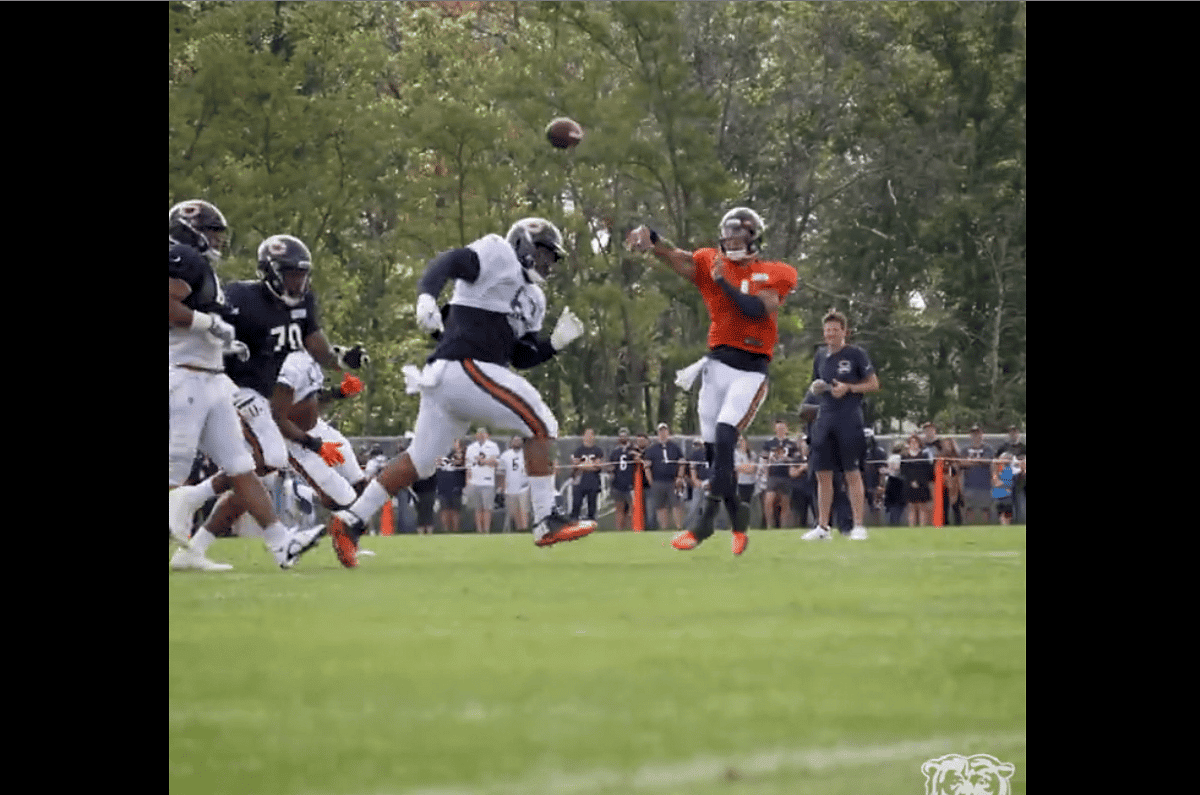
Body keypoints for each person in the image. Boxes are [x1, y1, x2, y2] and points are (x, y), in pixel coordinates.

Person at [325, 217, 594, 566]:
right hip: (462, 366)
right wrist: (426, 298)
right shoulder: (498, 253)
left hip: (458, 378)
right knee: (542, 422)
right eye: (544, 254)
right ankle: (546, 519)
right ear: (523, 246)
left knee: (419, 462)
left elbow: (520, 355)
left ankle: (350, 521)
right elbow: (448, 262)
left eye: (553, 258)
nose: (548, 264)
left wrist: (554, 344)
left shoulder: (534, 298)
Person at [627, 208, 797, 556]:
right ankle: (739, 523)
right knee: (714, 453)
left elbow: (756, 309)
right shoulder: (709, 260)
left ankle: (702, 522)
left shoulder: (774, 272)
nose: (733, 241)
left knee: (725, 435)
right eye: (729, 235)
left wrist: (722, 282)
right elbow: (680, 257)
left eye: (740, 235)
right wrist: (653, 239)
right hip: (716, 365)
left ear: (754, 238)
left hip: (751, 369)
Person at [187, 233, 370, 551]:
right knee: (278, 464)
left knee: (256, 480)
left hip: (285, 408)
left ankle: (195, 547)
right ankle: (199, 501)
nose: (298, 282)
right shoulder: (240, 297)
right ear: (270, 273)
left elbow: (320, 351)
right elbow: (209, 335)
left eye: (302, 274)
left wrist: (343, 360)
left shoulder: (303, 305)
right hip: (244, 392)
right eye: (291, 274)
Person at [168, 199, 324, 571]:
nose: (218, 241)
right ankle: (186, 528)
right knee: (173, 471)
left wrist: (222, 336)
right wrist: (210, 326)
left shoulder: (200, 265)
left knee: (241, 466)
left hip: (209, 377)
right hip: (183, 374)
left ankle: (281, 545)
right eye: (212, 233)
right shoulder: (183, 258)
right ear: (190, 231)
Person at [801, 310, 880, 541]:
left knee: (851, 471)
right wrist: (818, 388)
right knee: (822, 473)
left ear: (844, 331)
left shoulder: (856, 354)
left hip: (849, 418)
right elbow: (818, 383)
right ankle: (823, 526)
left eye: (835, 330)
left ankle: (858, 525)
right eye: (827, 330)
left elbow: (873, 384)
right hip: (824, 418)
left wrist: (849, 388)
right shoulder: (820, 356)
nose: (830, 334)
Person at [644, 422, 687, 533]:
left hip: (673, 481)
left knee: (676, 505)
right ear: (658, 433)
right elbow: (647, 467)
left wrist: (680, 477)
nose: (663, 433)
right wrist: (651, 482)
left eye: (665, 431)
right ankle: (664, 529)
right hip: (658, 482)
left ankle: (679, 527)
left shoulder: (675, 447)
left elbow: (682, 463)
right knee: (660, 507)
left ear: (668, 432)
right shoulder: (651, 449)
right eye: (660, 431)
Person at [761, 418, 798, 529]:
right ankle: (769, 526)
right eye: (778, 428)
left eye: (782, 428)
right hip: (773, 475)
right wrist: (765, 473)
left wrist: (787, 459)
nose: (780, 430)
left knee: (785, 503)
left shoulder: (791, 444)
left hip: (785, 476)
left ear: (786, 429)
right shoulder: (769, 443)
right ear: (775, 429)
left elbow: (797, 459)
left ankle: (783, 527)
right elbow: (764, 459)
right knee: (768, 501)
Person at [464, 427, 501, 534]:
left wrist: (484, 461)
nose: (480, 436)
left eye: (483, 434)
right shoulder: (471, 448)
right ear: (476, 435)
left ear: (487, 435)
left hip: (487, 481)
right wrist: (468, 481)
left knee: (487, 508)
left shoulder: (493, 446)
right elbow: (468, 466)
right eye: (479, 434)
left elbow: (496, 462)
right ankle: (479, 530)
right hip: (474, 481)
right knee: (477, 508)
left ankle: (487, 530)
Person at [961, 425, 996, 524]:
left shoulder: (988, 449)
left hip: (985, 485)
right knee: (969, 509)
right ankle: (970, 529)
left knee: (985, 509)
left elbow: (987, 461)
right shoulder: (965, 450)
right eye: (973, 434)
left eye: (978, 434)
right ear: (970, 436)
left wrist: (971, 461)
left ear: (982, 435)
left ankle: (985, 530)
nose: (976, 436)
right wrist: (978, 461)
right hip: (969, 485)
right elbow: (962, 463)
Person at [570, 428, 605, 522]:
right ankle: (574, 523)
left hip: (593, 481)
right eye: (587, 434)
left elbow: (597, 466)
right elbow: (575, 465)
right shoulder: (579, 450)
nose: (589, 437)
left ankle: (591, 524)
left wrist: (582, 465)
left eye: (591, 434)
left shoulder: (598, 450)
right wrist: (589, 466)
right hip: (580, 480)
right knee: (576, 504)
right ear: (583, 437)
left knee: (592, 505)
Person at [606, 428, 637, 532]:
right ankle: (620, 531)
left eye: (625, 435)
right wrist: (610, 471)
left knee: (633, 509)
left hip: (630, 483)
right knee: (619, 509)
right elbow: (611, 466)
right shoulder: (615, 451)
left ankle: (632, 529)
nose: (623, 437)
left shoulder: (633, 449)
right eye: (621, 436)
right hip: (618, 483)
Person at [900, 434, 935, 526]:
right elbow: (903, 471)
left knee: (922, 507)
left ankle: (922, 527)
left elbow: (928, 470)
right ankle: (912, 527)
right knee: (911, 507)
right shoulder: (904, 456)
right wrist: (912, 481)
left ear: (919, 443)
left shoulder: (924, 455)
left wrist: (921, 482)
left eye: (916, 442)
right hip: (909, 485)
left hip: (922, 484)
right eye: (911, 442)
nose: (914, 444)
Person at [498, 435, 531, 532]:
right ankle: (519, 529)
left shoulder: (527, 454)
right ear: (511, 442)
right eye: (515, 441)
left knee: (524, 509)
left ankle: (525, 528)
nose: (516, 442)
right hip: (510, 487)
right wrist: (502, 487)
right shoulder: (505, 455)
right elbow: (501, 473)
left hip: (524, 486)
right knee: (515, 511)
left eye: (518, 441)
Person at [436, 440, 467, 534]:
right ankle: (445, 530)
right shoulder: (440, 454)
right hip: (443, 485)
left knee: (455, 510)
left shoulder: (462, 455)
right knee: (444, 509)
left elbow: (462, 465)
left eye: (455, 443)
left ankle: (455, 530)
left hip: (456, 485)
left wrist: (458, 452)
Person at [997, 425, 1027, 523]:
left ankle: (1020, 523)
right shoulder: (1003, 448)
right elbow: (995, 462)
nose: (1013, 434)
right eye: (1011, 432)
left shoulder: (1024, 447)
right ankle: (1006, 524)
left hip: (1021, 480)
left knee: (1020, 504)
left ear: (1018, 433)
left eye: (1015, 431)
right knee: (1006, 504)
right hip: (1006, 480)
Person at [788, 436, 814, 530]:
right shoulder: (796, 458)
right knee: (800, 514)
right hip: (799, 489)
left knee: (816, 511)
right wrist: (802, 468)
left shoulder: (814, 457)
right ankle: (800, 528)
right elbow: (792, 473)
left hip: (813, 488)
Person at [937, 437, 964, 526]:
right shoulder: (940, 457)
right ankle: (944, 524)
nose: (947, 447)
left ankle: (958, 524)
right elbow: (937, 471)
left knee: (956, 506)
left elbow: (959, 471)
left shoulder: (957, 457)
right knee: (944, 506)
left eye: (949, 444)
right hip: (944, 485)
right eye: (945, 445)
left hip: (955, 485)